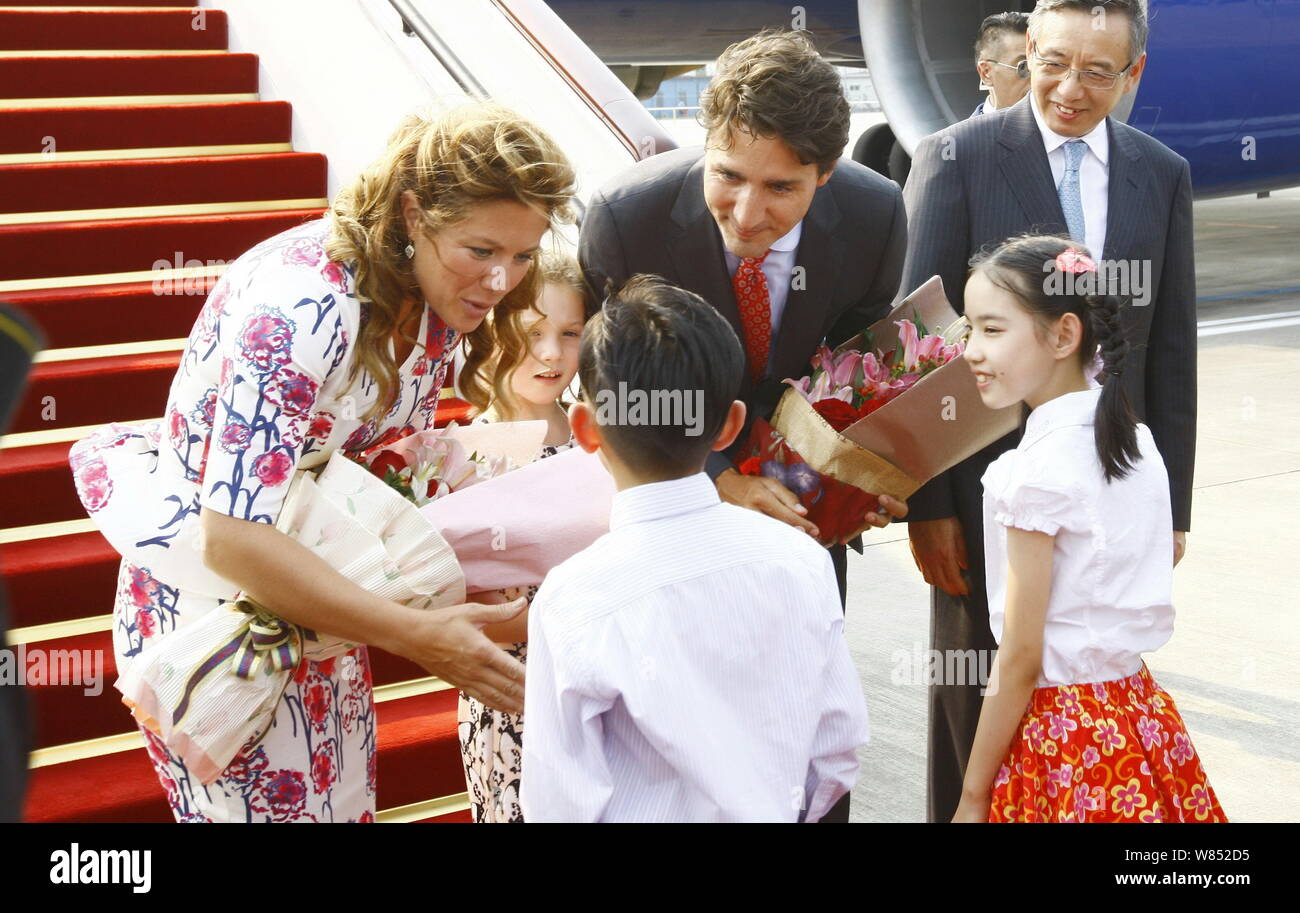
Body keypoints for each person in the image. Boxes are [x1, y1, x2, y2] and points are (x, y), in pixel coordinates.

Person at [72, 103, 575, 822]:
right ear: (413, 215)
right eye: (482, 250)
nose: (502, 281)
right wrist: (421, 636)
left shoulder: (435, 298)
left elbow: (370, 478)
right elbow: (234, 536)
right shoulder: (303, 306)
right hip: (218, 624)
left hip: (321, 607)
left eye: (523, 256)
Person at [579, 32, 907, 820]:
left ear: (825, 176)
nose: (747, 212)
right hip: (668, 521)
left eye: (781, 189)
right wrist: (721, 477)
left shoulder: (875, 214)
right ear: (705, 141)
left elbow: (859, 367)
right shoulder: (627, 220)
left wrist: (863, 475)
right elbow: (609, 394)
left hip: (798, 529)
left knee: (802, 736)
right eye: (726, 175)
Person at [900, 0, 1197, 822]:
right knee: (973, 716)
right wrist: (928, 507)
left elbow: (1170, 348)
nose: (1070, 87)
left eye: (1098, 71)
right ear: (1027, 47)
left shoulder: (1160, 172)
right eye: (1054, 61)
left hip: (1106, 480)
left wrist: (1171, 507)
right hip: (978, 501)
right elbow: (920, 347)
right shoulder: (956, 158)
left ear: (1132, 73)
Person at [520, 275, 868, 822]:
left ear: (586, 429)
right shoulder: (800, 559)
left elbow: (559, 799)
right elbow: (836, 747)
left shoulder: (573, 596)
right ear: (730, 425)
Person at [953, 235, 1224, 823]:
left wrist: (972, 796)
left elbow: (1021, 656)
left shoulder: (1033, 476)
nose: (970, 350)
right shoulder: (1138, 445)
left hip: (1064, 742)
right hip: (1140, 721)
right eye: (968, 329)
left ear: (1064, 335)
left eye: (992, 330)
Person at [456, 250, 588, 823]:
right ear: (491, 331)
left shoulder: (601, 433)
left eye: (570, 333)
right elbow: (476, 611)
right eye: (533, 332)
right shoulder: (467, 456)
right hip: (518, 698)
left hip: (599, 687)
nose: (552, 353)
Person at [971, 12, 1030, 116]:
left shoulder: (1059, 129)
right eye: (1024, 67)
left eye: (1041, 64)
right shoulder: (965, 132)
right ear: (986, 73)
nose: (1038, 78)